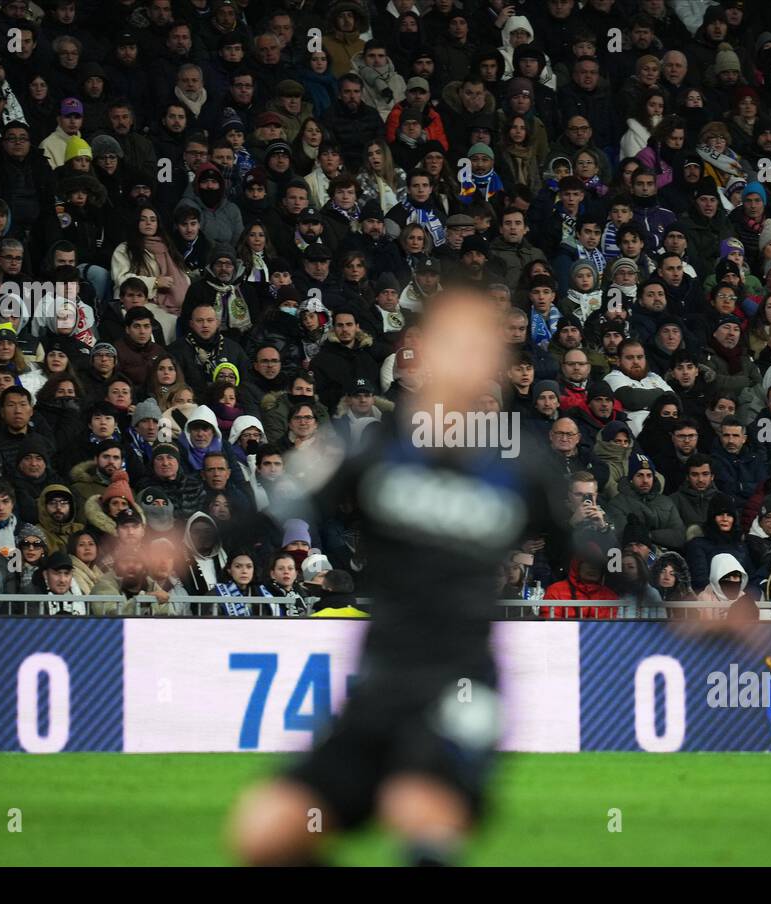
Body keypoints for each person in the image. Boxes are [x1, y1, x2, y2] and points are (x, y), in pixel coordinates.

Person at [230, 289, 563, 867]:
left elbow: (592, 547)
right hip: (381, 686)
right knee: (265, 832)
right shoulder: (371, 449)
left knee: (418, 806)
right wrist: (184, 541)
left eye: (479, 346)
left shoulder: (520, 466)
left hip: (462, 685)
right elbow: (273, 508)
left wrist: (688, 608)